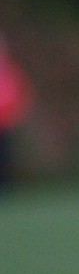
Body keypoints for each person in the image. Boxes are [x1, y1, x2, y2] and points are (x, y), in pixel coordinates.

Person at [0, 32, 33, 193]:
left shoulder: (11, 72)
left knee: (4, 157)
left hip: (4, 125)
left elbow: (19, 94)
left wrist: (15, 114)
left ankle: (5, 187)